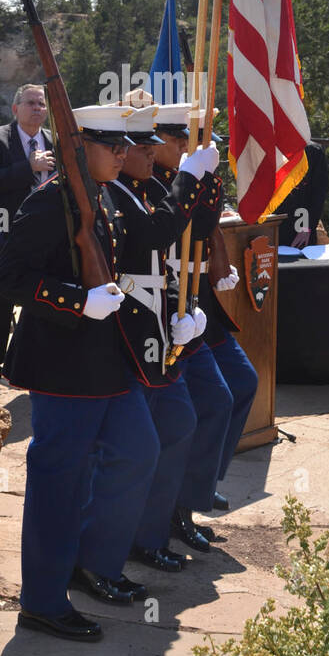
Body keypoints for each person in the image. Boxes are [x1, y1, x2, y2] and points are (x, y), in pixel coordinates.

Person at [0, 105, 159, 642]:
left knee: (140, 449)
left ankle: (90, 561)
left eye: (123, 146)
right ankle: (42, 600)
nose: (123, 153)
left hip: (108, 364)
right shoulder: (49, 204)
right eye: (112, 146)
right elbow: (10, 278)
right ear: (79, 146)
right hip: (64, 369)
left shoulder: (105, 197)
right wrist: (75, 301)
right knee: (57, 484)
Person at [104, 99, 217, 573]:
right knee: (140, 444)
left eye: (155, 144)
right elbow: (155, 236)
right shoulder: (116, 195)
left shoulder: (147, 186)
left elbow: (199, 226)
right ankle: (128, 540)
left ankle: (151, 532)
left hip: (158, 320)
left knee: (179, 424)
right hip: (129, 329)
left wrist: (203, 175)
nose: (150, 153)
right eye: (140, 145)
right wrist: (190, 176)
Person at [151, 105, 258, 553]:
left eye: (190, 142)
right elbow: (167, 225)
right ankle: (182, 503)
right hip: (168, 305)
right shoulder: (156, 185)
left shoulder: (187, 177)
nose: (186, 150)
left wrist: (217, 252)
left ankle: (202, 478)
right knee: (212, 401)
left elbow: (205, 221)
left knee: (242, 383)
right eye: (180, 142)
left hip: (195, 302)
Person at [0, 83, 54, 400]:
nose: (37, 108)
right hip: (3, 236)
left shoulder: (52, 142)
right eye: (30, 103)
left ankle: (29, 371)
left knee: (40, 306)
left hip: (43, 239)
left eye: (42, 104)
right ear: (15, 109)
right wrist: (28, 168)